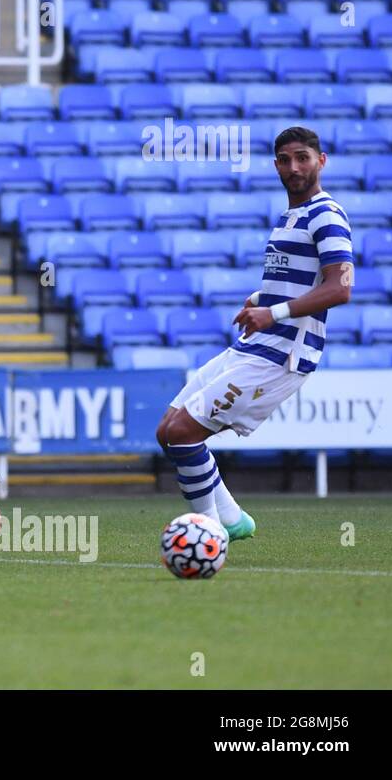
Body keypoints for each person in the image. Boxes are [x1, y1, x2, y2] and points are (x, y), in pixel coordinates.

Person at [155, 126, 354, 539]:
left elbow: (340, 288)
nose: (295, 167)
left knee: (182, 433)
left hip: (284, 354)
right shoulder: (291, 216)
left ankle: (206, 535)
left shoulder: (326, 215)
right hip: (257, 344)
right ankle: (231, 520)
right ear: (276, 165)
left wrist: (273, 313)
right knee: (167, 431)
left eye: (303, 157)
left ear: (322, 160)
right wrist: (260, 298)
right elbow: (298, 280)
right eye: (286, 159)